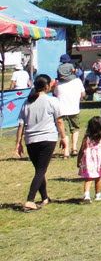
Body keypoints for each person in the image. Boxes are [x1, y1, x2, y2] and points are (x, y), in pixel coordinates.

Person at [14, 75, 65, 211]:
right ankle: (30, 200)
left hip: (30, 141)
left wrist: (18, 143)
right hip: (47, 139)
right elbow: (59, 121)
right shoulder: (52, 101)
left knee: (39, 170)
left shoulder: (27, 102)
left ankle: (45, 197)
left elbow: (21, 124)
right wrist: (64, 138)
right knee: (41, 170)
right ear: (47, 86)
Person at [54, 55, 85, 158]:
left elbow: (55, 94)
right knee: (75, 128)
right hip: (74, 108)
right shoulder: (77, 81)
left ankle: (66, 150)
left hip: (60, 110)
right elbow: (83, 95)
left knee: (64, 131)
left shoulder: (58, 83)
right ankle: (74, 148)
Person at [77, 116, 101, 203]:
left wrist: (78, 160)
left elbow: (82, 150)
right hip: (99, 160)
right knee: (98, 176)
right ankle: (98, 194)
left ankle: (87, 195)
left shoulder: (87, 137)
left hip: (88, 160)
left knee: (88, 178)